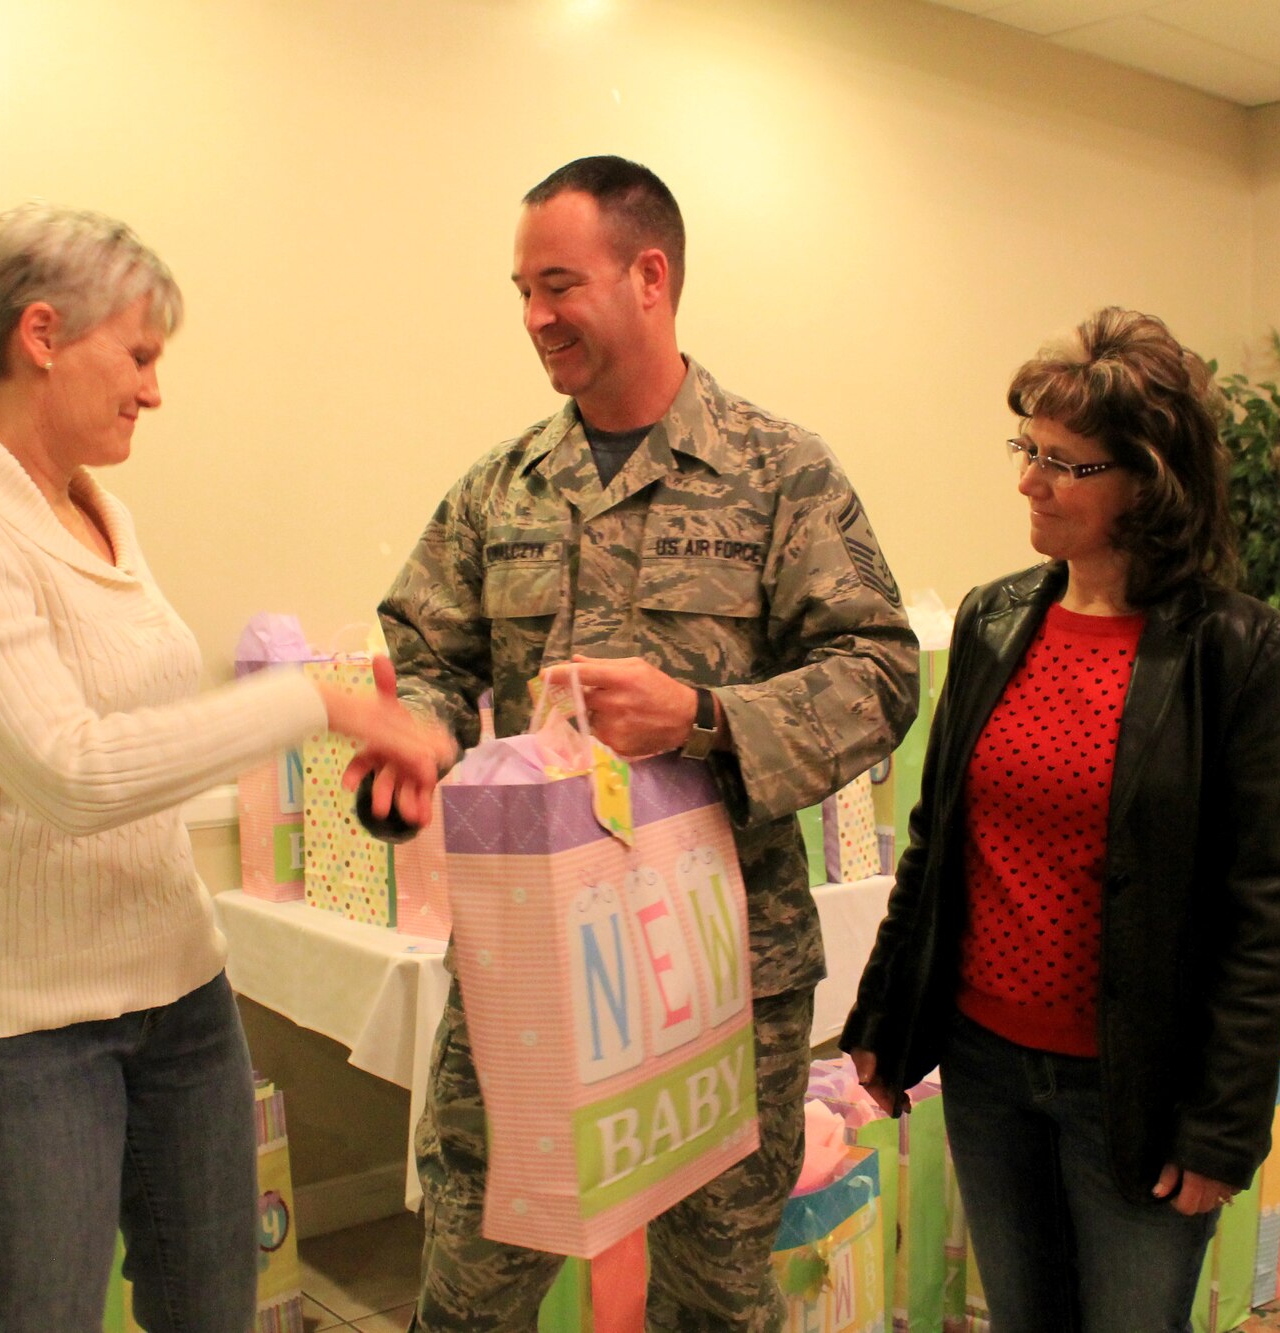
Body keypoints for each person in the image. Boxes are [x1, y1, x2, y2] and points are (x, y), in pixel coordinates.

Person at [0, 202, 453, 1333]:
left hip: (178, 997)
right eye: (138, 355)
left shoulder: (102, 518)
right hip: (11, 1035)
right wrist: (314, 704)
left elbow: (140, 739)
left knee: (211, 1310)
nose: (153, 388)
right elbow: (71, 774)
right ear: (41, 335)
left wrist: (345, 733)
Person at [380, 155, 919, 1330]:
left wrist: (705, 717)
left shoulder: (781, 476)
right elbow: (423, 645)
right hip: (528, 972)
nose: (533, 318)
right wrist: (415, 738)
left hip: (715, 974)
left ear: (650, 276)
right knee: (468, 1291)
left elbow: (880, 675)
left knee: (714, 1303)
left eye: (558, 284)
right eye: (519, 290)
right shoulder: (503, 489)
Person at [841, 308, 1280, 1333]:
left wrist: (1221, 1122)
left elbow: (1257, 911)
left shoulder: (1239, 652)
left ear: (1147, 482)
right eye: (1026, 450)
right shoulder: (992, 617)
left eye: (1064, 463)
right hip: (985, 1066)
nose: (1028, 480)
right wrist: (881, 1018)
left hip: (1136, 1082)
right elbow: (935, 842)